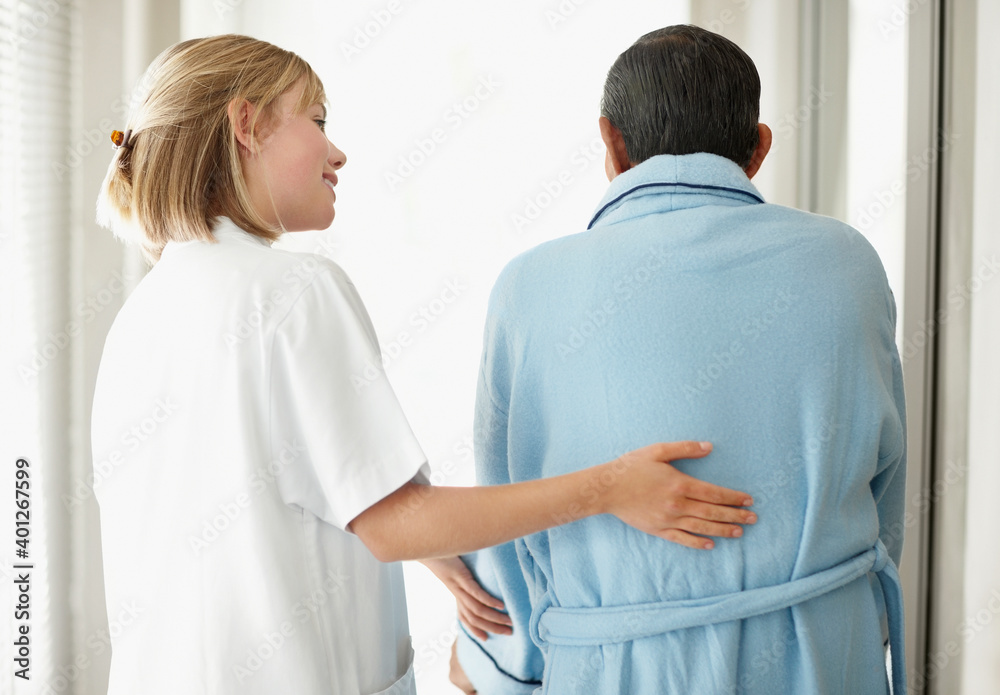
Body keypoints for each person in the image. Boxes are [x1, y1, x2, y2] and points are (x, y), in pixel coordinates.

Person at [90, 34, 758, 695]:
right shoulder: (294, 292)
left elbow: (264, 495)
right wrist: (610, 488)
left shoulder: (141, 317)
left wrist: (431, 544)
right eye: (317, 121)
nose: (336, 151)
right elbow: (390, 524)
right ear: (246, 124)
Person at [453, 24, 907, 695]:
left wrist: (506, 662)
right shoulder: (847, 261)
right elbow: (884, 488)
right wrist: (858, 631)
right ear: (758, 148)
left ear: (610, 143)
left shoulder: (528, 286)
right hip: (822, 653)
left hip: (612, 669)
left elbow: (509, 508)